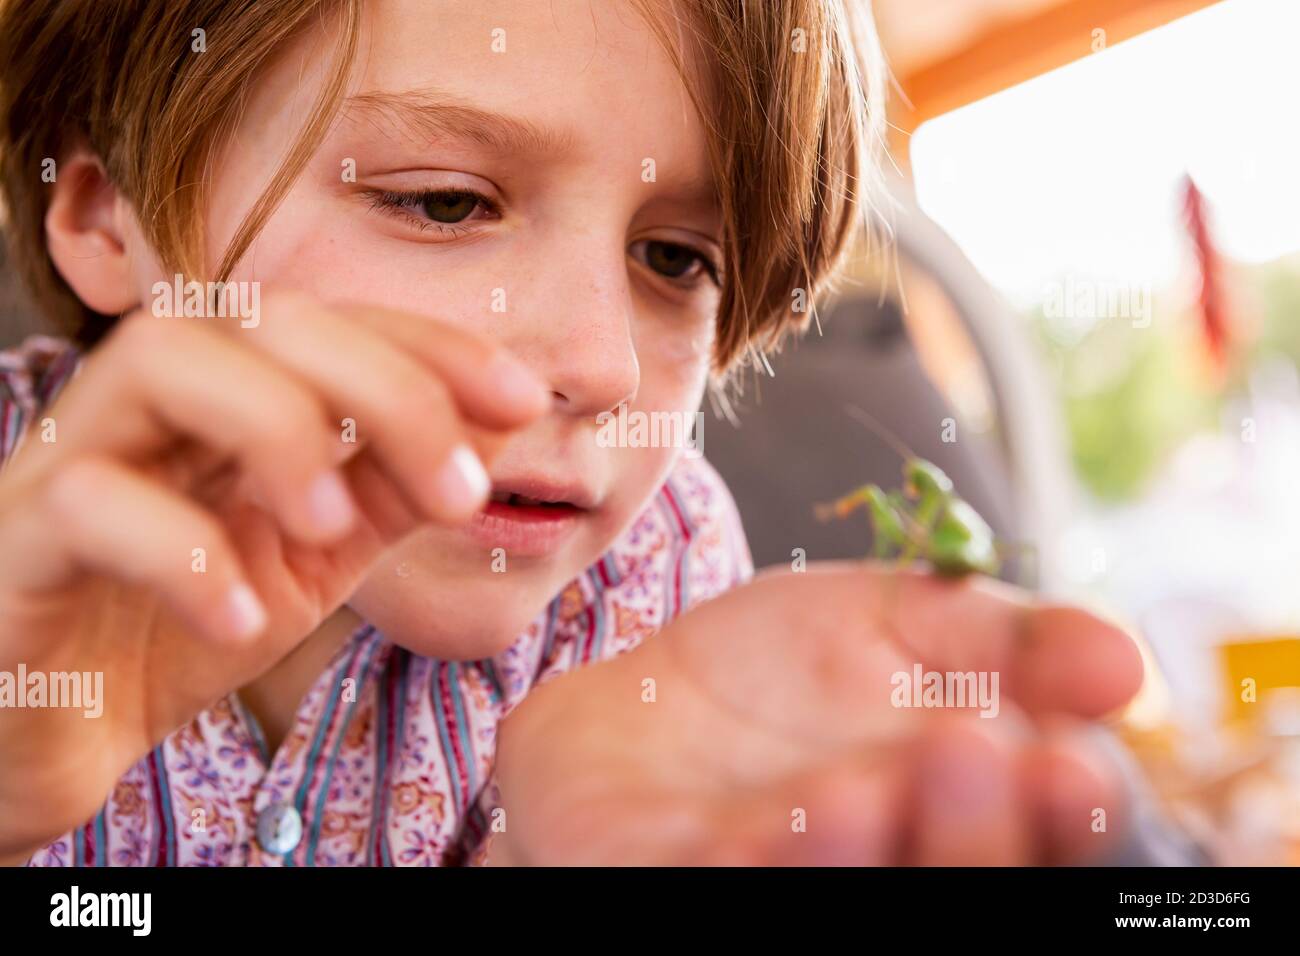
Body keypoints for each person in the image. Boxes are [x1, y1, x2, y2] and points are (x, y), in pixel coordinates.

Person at [0, 0, 1142, 866]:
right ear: (105, 213)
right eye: (443, 200)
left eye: (676, 260)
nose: (603, 366)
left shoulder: (663, 575)